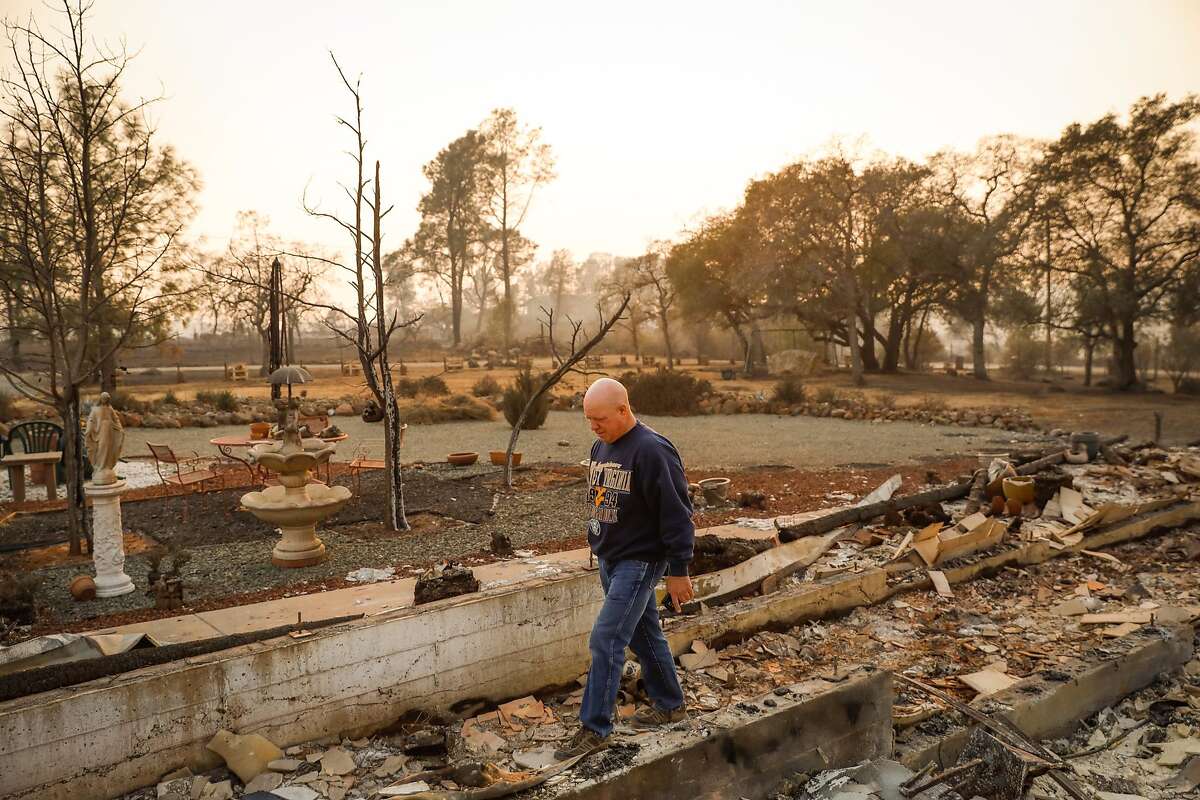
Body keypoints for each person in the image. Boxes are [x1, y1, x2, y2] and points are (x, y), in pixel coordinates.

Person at [555, 377, 695, 760]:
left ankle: (596, 728)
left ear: (623, 409)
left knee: (607, 638)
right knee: (645, 634)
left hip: (641, 560)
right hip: (611, 558)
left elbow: (678, 514)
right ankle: (670, 705)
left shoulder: (653, 450)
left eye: (600, 418)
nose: (594, 426)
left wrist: (678, 569)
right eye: (588, 419)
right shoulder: (601, 445)